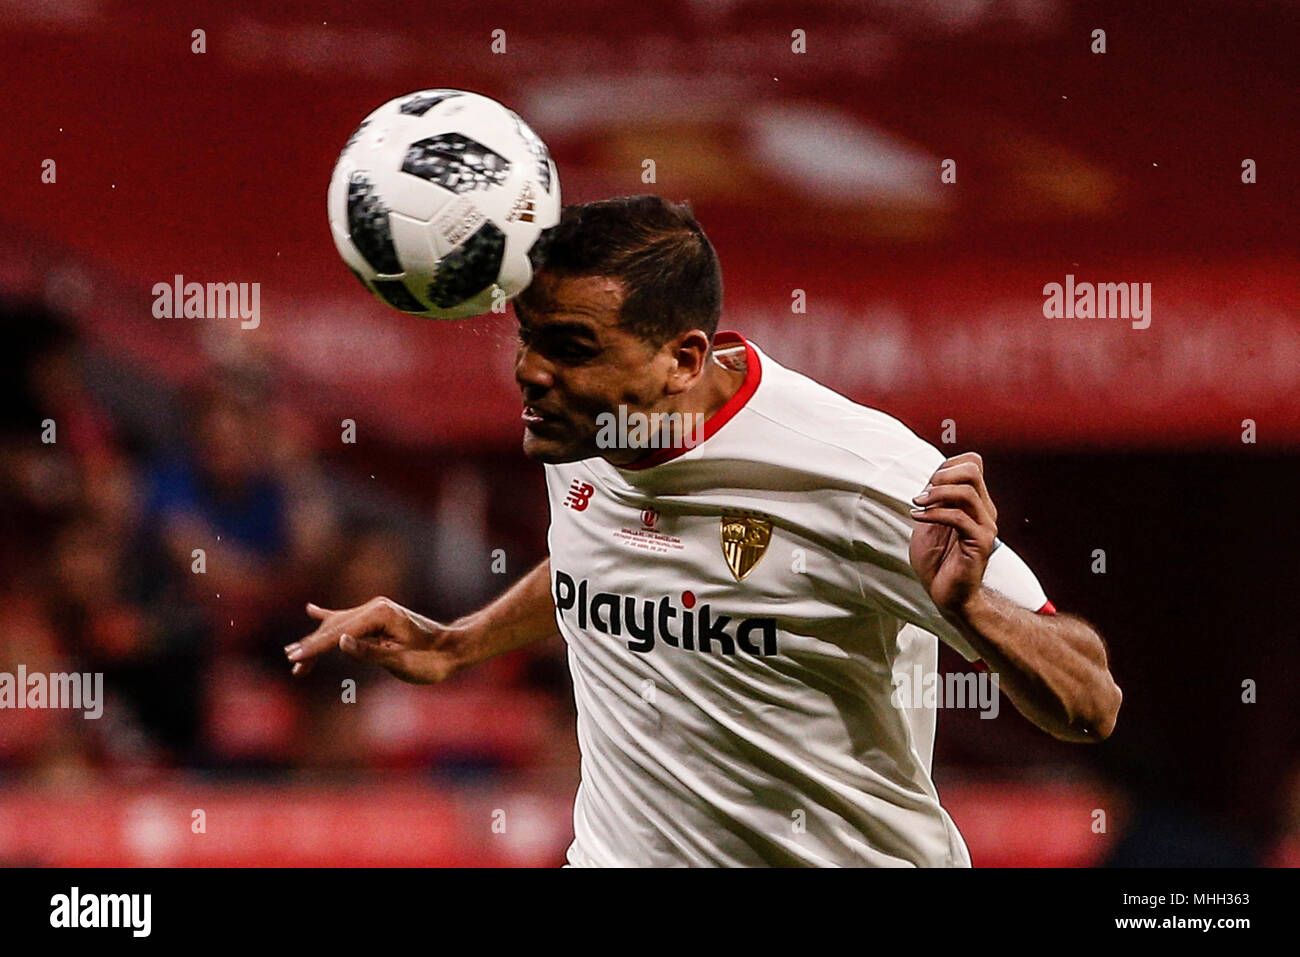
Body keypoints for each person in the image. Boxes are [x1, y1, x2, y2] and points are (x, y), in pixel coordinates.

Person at [285, 195, 1122, 867]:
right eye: (529, 339)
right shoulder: (582, 425)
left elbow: (1092, 704)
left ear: (683, 360)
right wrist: (456, 644)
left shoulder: (861, 476)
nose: (531, 373)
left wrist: (974, 611)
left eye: (571, 347)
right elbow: (602, 565)